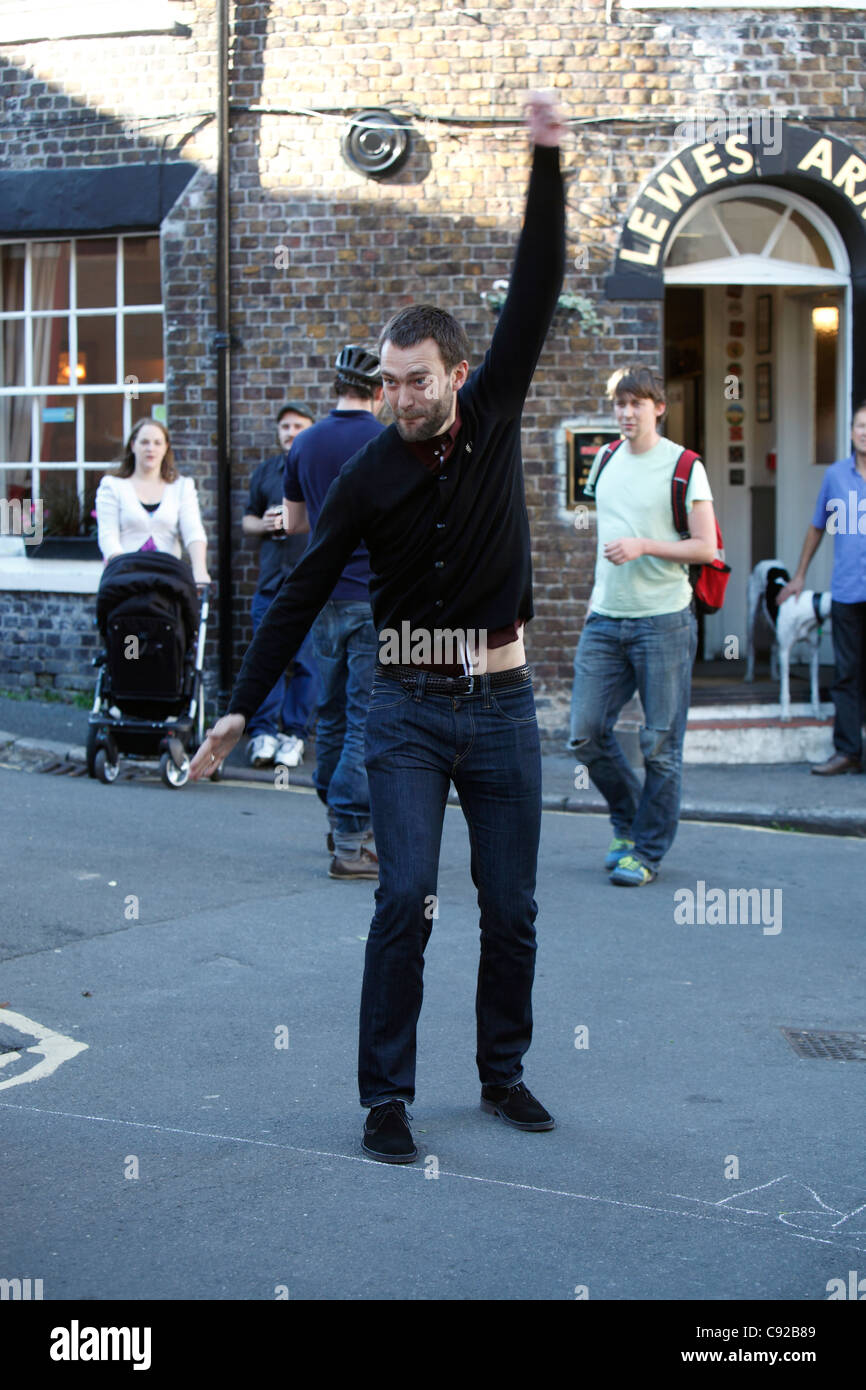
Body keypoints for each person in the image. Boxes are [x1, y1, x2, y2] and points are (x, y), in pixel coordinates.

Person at [192, 90, 566, 1165]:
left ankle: (501, 1073)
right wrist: (235, 706)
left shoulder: (492, 410)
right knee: (405, 893)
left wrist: (544, 164)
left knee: (515, 906)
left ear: (453, 373)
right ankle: (385, 1098)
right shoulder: (365, 471)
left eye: (415, 380)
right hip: (403, 701)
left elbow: (535, 288)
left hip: (497, 704)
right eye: (388, 382)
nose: (399, 396)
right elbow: (303, 589)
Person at [568, 366, 718, 886]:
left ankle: (647, 850)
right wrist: (593, 599)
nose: (627, 413)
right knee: (585, 733)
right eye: (620, 404)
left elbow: (707, 547)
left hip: (664, 621)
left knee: (659, 743)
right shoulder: (605, 460)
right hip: (606, 619)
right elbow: (604, 535)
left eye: (638, 404)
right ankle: (629, 820)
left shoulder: (684, 466)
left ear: (659, 407)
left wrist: (645, 546)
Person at [282, 348, 385, 879]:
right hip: (373, 599)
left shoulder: (305, 442)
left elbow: (295, 523)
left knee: (334, 712)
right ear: (379, 390)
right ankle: (350, 840)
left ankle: (336, 812)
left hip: (324, 599)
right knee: (366, 718)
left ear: (336, 385)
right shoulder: (386, 442)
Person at [778, 401, 866, 775]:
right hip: (847, 591)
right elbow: (817, 527)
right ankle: (847, 752)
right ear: (850, 433)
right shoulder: (835, 476)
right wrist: (799, 575)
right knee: (846, 674)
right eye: (860, 425)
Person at [242, 403, 319, 771]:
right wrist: (267, 523)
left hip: (308, 585)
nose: (290, 432)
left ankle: (295, 735)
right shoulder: (264, 472)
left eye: (298, 426)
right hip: (270, 583)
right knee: (266, 660)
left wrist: (298, 521)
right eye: (285, 426)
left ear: (311, 430)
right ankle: (263, 733)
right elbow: (247, 522)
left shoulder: (320, 470)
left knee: (306, 662)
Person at [96, 417, 210, 583]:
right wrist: (122, 568)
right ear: (133, 445)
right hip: (124, 579)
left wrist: (200, 570)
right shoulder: (112, 486)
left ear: (166, 447)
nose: (151, 448)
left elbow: (193, 531)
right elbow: (108, 536)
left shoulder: (182, 487)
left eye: (157, 443)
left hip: (167, 577)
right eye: (144, 442)